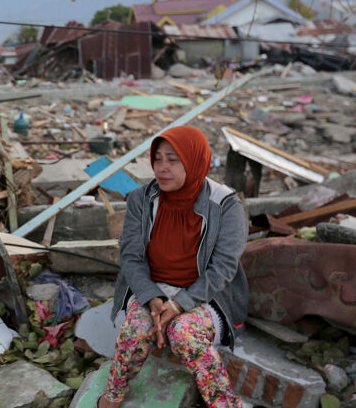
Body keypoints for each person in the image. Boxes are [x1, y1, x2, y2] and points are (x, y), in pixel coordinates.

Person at [98, 126, 248, 408]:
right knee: (136, 329)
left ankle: (225, 404)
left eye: (173, 159)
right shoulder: (141, 199)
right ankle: (111, 398)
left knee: (184, 333)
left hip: (206, 295)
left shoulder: (225, 205)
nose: (162, 168)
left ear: (193, 161)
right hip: (152, 288)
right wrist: (153, 299)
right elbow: (131, 256)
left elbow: (224, 266)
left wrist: (180, 305)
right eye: (157, 159)